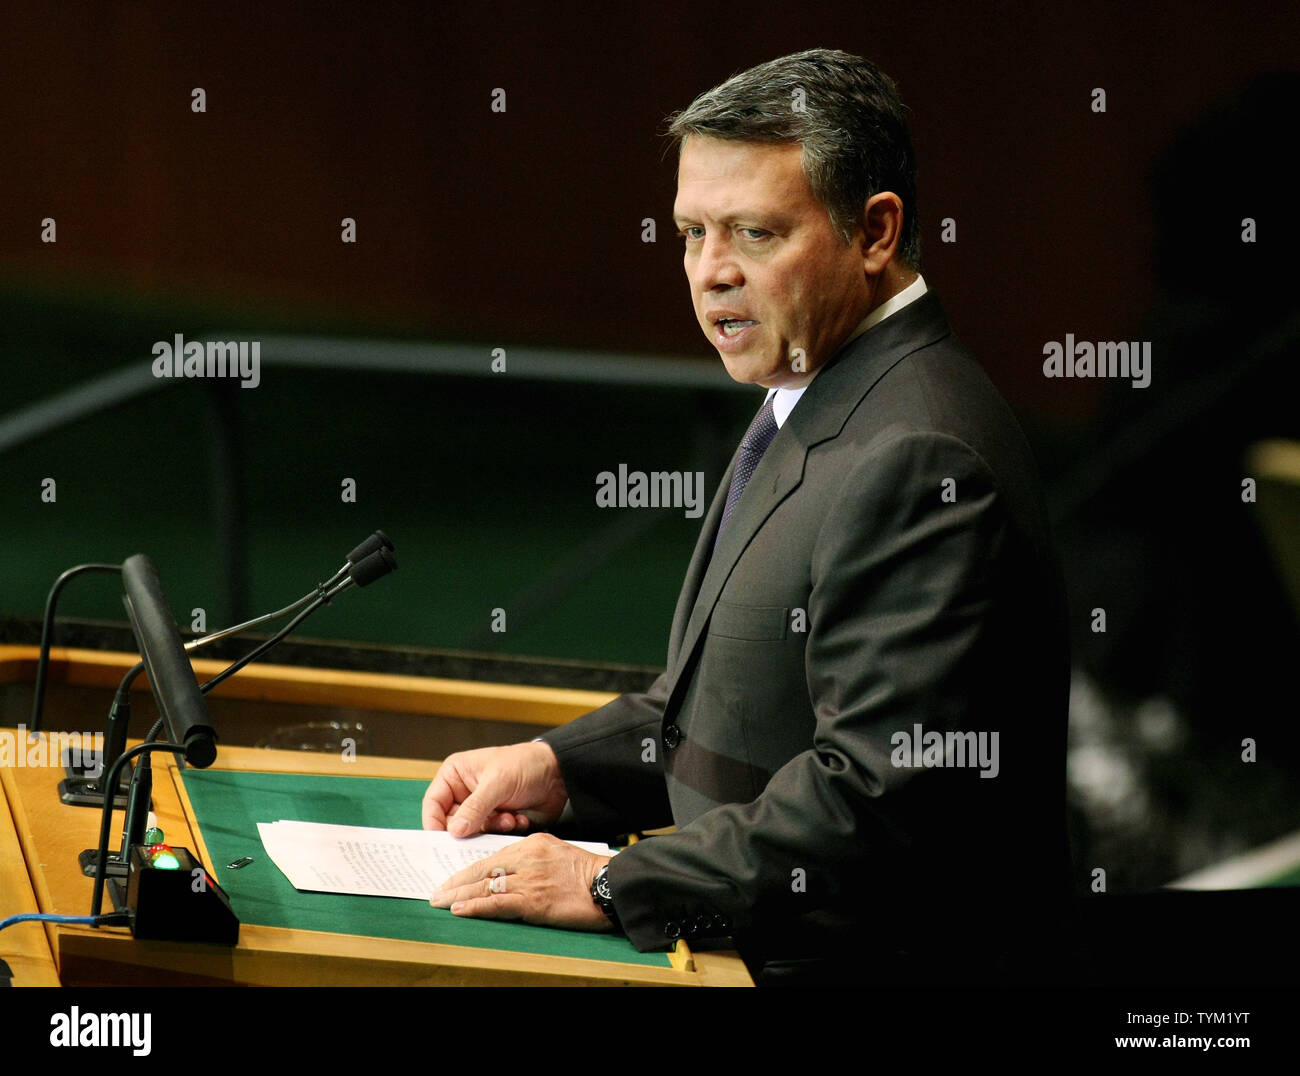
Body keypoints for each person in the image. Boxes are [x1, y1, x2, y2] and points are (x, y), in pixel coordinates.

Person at [423, 48, 1070, 986]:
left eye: (754, 234)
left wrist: (613, 882)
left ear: (875, 232)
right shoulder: (811, 391)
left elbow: (873, 798)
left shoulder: (921, 452)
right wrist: (558, 768)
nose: (710, 272)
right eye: (691, 233)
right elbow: (734, 714)